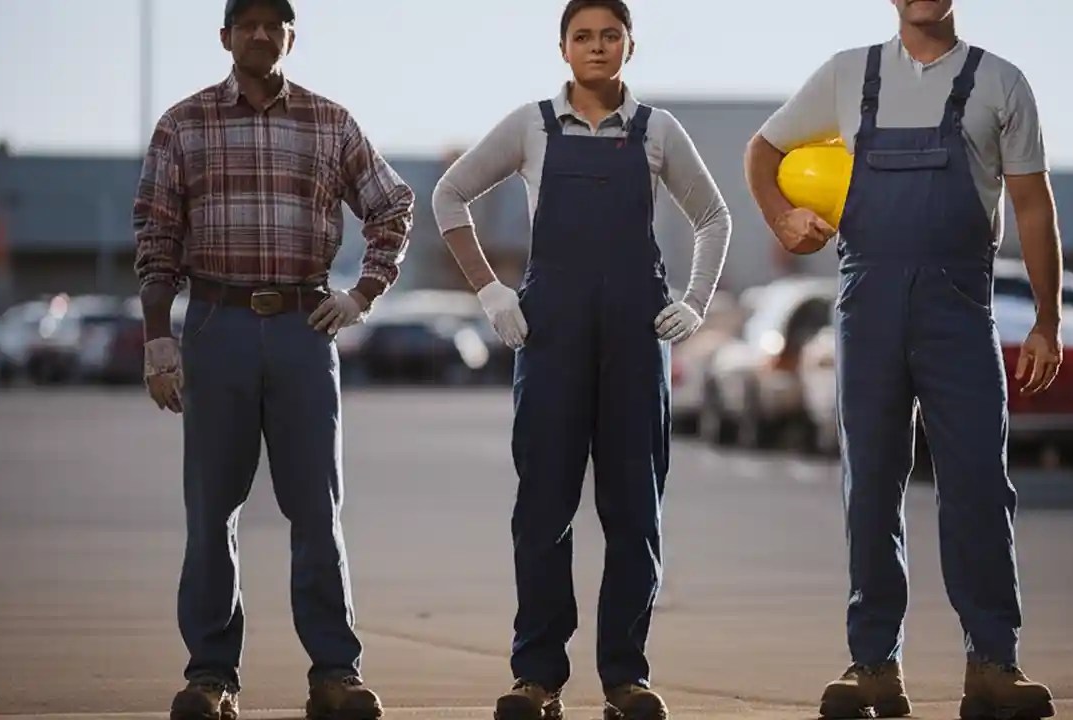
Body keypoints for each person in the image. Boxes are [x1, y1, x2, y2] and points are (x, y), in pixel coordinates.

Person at [745, 1, 1061, 719]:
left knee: (979, 485)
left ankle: (993, 666)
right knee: (871, 489)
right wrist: (781, 216)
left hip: (960, 312)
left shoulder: (1000, 82)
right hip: (869, 310)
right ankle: (873, 667)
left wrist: (1048, 318)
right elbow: (762, 154)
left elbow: (1033, 205)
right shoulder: (846, 74)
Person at [431, 1, 731, 718]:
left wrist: (694, 301)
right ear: (562, 48)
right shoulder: (531, 126)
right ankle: (536, 678)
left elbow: (714, 217)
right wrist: (490, 291)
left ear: (631, 44)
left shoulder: (659, 131)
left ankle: (627, 679)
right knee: (543, 511)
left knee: (634, 515)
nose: (597, 48)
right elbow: (449, 195)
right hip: (552, 339)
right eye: (583, 37)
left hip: (636, 342)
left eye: (609, 36)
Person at [132, 1, 415, 718]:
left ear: (291, 36)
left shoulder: (330, 123)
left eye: (274, 23)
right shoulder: (183, 124)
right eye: (246, 22)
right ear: (226, 37)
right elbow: (156, 234)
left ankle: (334, 674)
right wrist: (158, 335)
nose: (260, 34)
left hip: (301, 330)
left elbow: (392, 205)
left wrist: (364, 293)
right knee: (212, 510)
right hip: (215, 326)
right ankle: (211, 677)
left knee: (317, 510)